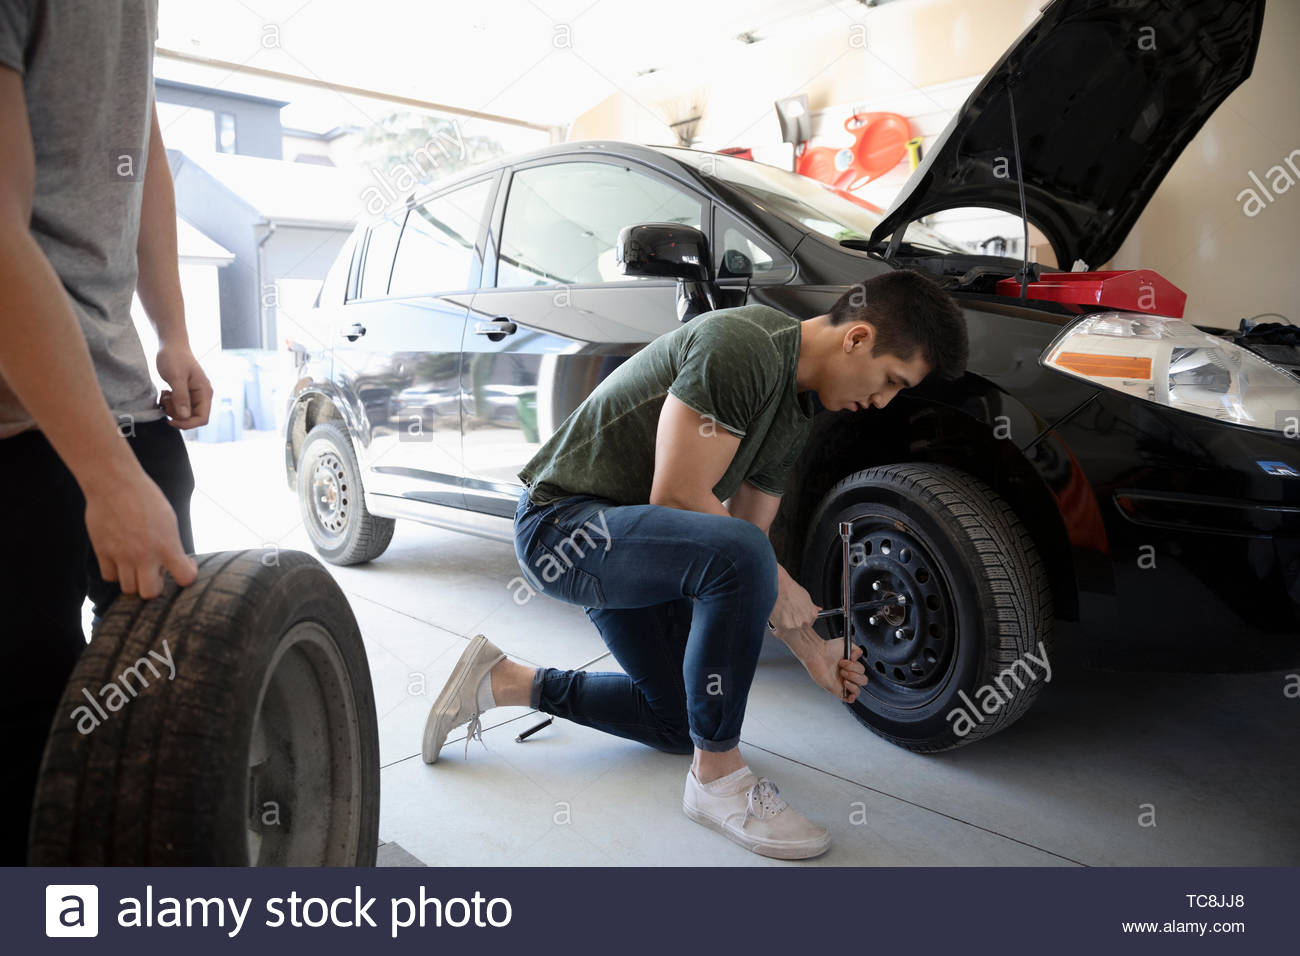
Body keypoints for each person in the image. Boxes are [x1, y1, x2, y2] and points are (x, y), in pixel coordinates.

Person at [423, 269, 968, 860]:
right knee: (740, 563)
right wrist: (779, 587)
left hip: (637, 545)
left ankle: (502, 679)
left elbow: (748, 540)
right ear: (857, 338)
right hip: (564, 529)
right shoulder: (742, 347)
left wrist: (815, 650)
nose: (883, 402)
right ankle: (717, 780)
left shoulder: (796, 408)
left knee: (676, 720)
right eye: (891, 381)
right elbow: (680, 496)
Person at [0, 0, 212, 864]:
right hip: (20, 419)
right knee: (30, 727)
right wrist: (107, 478)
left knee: (169, 679)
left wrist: (172, 331)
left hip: (124, 392)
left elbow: (142, 148)